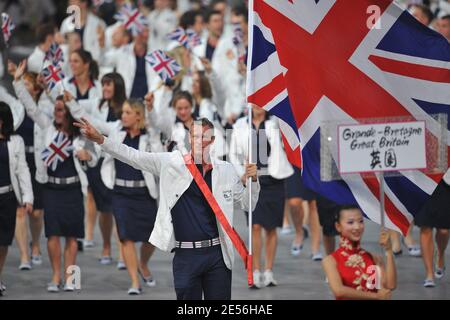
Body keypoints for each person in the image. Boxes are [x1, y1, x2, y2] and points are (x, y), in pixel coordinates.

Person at [75, 106, 260, 300]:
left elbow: (248, 204)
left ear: (212, 141)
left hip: (218, 255)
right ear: (189, 138)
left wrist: (253, 181)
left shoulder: (225, 170)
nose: (199, 142)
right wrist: (100, 139)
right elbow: (133, 156)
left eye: (204, 137)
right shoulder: (172, 163)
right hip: (186, 255)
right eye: (195, 136)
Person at [13, 61, 98, 292]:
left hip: (72, 189)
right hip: (51, 189)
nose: (57, 112)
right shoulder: (47, 126)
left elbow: (94, 156)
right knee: (52, 234)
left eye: (61, 110)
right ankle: (55, 276)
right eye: (56, 109)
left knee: (72, 236)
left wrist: (85, 155)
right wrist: (18, 82)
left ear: (68, 113)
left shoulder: (80, 134)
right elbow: (31, 108)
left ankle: (72, 278)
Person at [69, 96, 163, 294]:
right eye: (123, 112)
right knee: (125, 237)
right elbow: (93, 121)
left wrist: (151, 109)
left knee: (151, 238)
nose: (123, 116)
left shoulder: (150, 135)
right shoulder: (116, 129)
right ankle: (134, 281)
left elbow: (156, 125)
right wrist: (72, 103)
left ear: (138, 116)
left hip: (144, 193)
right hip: (120, 193)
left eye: (128, 112)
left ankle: (143, 264)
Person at [229, 105, 293, 288]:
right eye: (254, 103)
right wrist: (241, 173)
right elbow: (233, 153)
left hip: (273, 180)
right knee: (255, 226)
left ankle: (269, 271)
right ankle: (255, 270)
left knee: (271, 228)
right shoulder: (241, 125)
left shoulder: (276, 123)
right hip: (252, 180)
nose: (258, 107)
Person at [76, 73, 127, 268]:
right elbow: (78, 108)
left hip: (116, 161)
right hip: (97, 160)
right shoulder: (98, 104)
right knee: (104, 211)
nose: (104, 88)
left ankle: (123, 252)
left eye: (109, 85)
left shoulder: (124, 108)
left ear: (118, 87)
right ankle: (106, 246)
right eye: (103, 84)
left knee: (118, 209)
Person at [1, 71, 49, 270]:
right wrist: (15, 77)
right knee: (20, 212)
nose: (24, 86)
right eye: (23, 84)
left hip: (38, 162)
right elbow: (3, 94)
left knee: (36, 213)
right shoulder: (15, 106)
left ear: (37, 89)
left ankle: (35, 243)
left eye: (28, 83)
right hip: (15, 160)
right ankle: (24, 255)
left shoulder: (45, 109)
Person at [322, 205, 397, 300]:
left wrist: (389, 251)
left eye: (360, 221)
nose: (357, 227)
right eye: (350, 222)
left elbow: (390, 285)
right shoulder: (331, 260)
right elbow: (339, 291)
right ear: (338, 226)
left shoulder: (374, 258)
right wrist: (376, 296)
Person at [0, 102, 34, 297]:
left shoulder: (16, 141)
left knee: (3, 241)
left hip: (7, 197)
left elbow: (22, 170)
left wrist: (28, 197)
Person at [414, 170, 450, 287]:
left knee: (444, 230)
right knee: (425, 227)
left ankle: (440, 254)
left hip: (446, 180)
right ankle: (429, 274)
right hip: (423, 178)